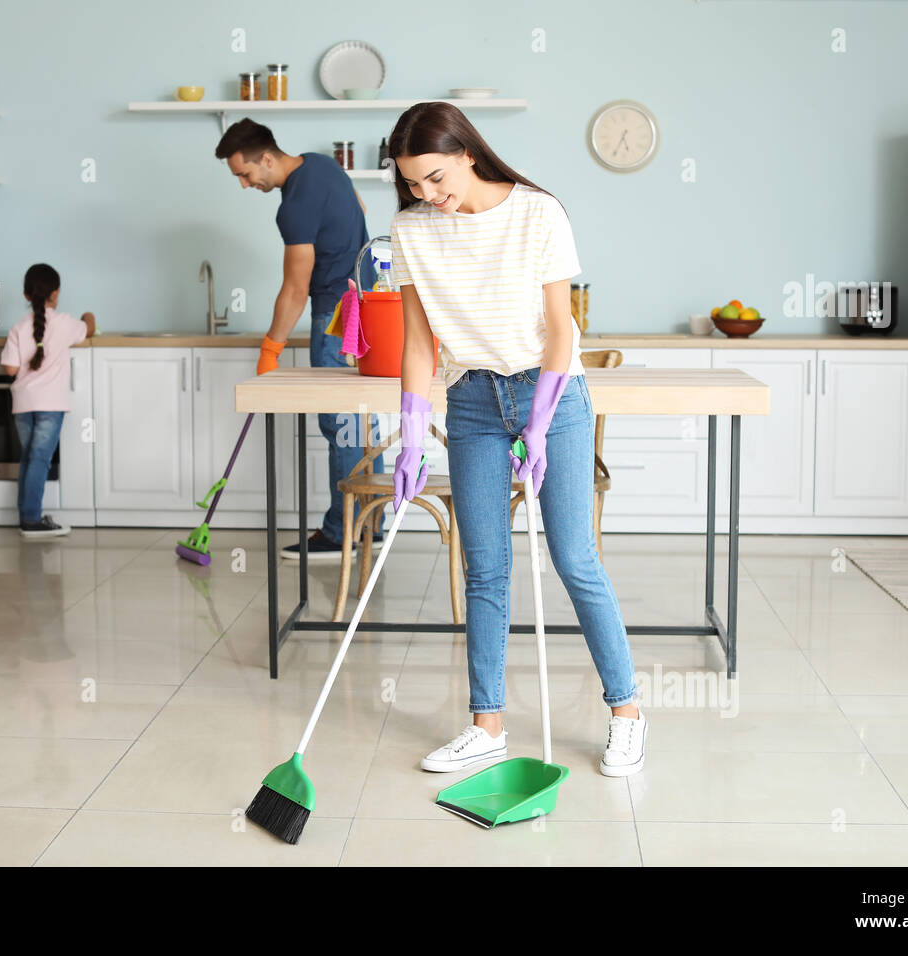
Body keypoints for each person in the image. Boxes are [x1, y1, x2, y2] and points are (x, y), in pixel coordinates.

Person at [388, 103, 646, 778]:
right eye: (414, 184)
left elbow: (562, 330)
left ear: (468, 154)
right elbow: (418, 343)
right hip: (471, 400)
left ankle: (626, 714)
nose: (428, 195)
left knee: (573, 557)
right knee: (486, 567)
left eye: (436, 177)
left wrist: (539, 421)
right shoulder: (412, 229)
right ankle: (487, 726)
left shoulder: (537, 212)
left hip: (551, 395)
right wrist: (412, 434)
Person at [214, 119, 385, 560]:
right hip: (364, 309)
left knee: (341, 422)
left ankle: (342, 531)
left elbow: (295, 285)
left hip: (334, 316)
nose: (244, 184)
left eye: (245, 173)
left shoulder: (292, 207)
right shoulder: (325, 167)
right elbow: (361, 211)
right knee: (362, 421)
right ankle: (372, 522)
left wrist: (271, 346)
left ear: (266, 158)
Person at [0, 263, 96, 538]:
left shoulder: (18, 328)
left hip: (23, 404)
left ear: (26, 295)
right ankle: (31, 521)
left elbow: (9, 369)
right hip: (51, 405)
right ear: (57, 292)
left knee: (29, 458)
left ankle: (26, 516)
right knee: (39, 460)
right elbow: (88, 328)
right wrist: (88, 315)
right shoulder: (66, 323)